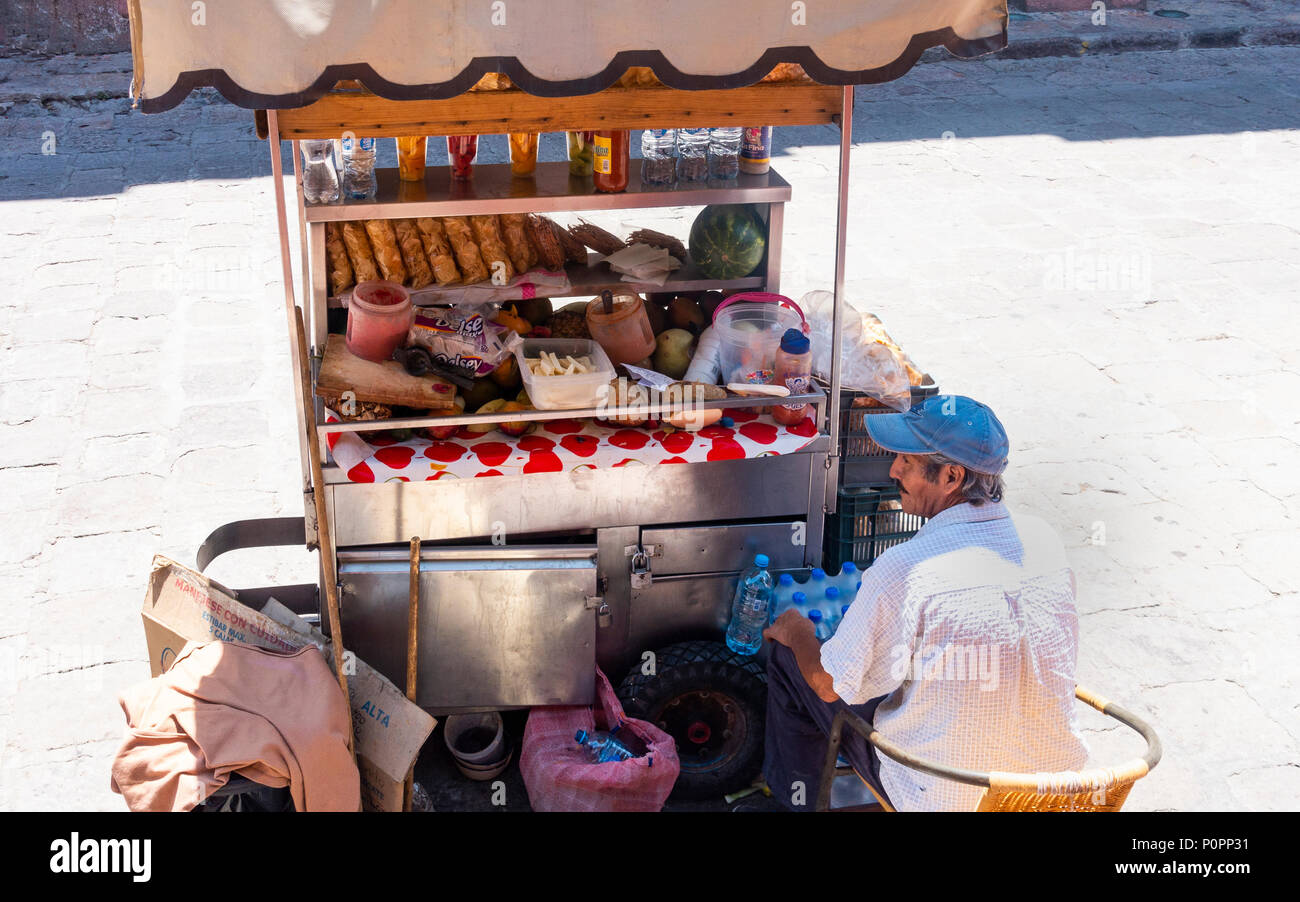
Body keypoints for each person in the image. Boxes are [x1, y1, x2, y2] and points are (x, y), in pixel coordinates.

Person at [762, 395, 1088, 811]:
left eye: (908, 463)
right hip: (1053, 791)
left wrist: (798, 633)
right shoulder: (1045, 541)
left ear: (951, 476)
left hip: (944, 795)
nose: (893, 470)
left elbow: (828, 687)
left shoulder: (906, 566)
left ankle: (795, 802)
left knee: (793, 659)